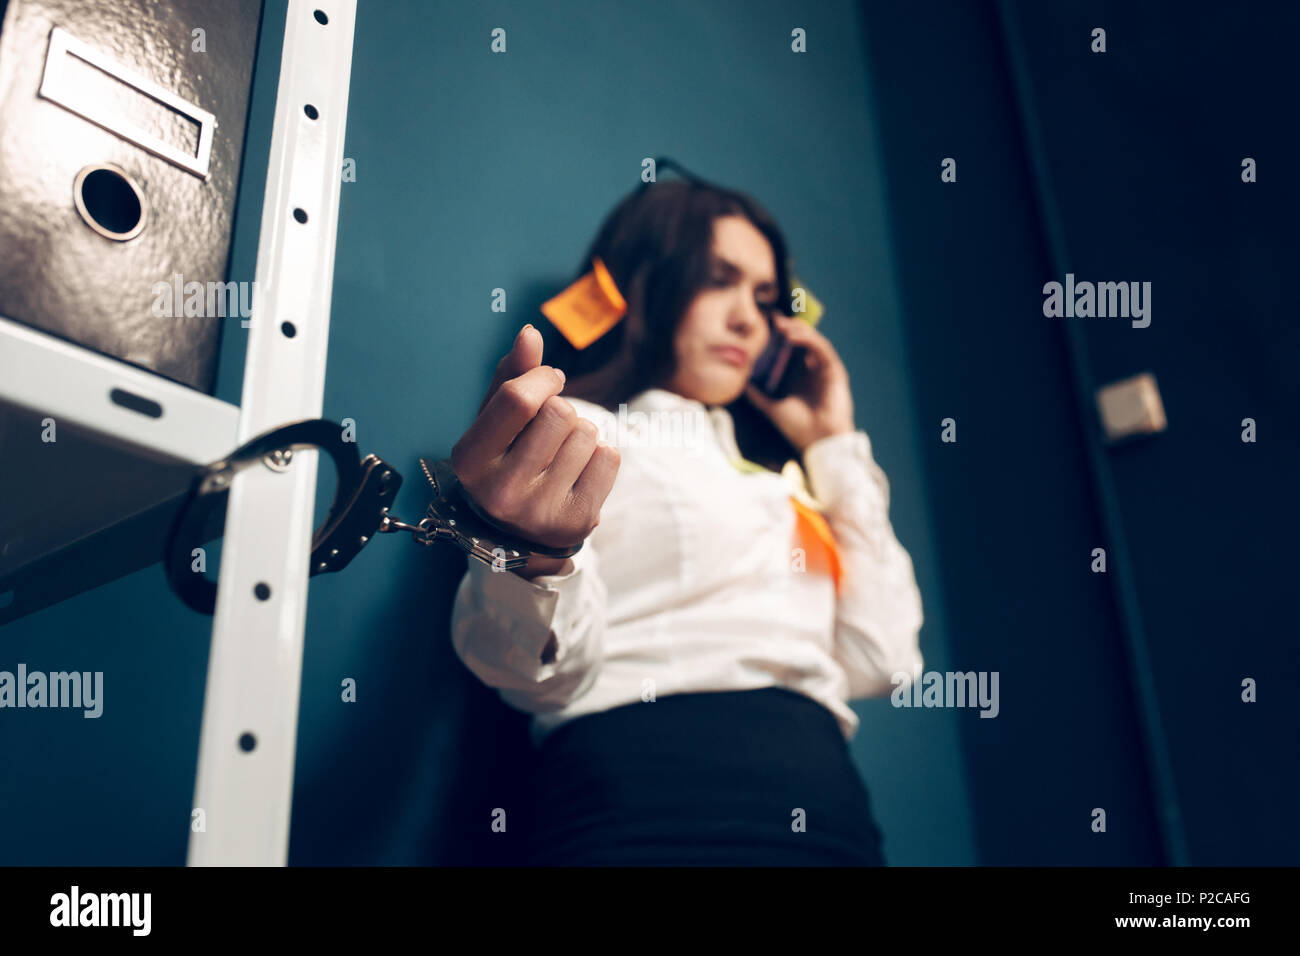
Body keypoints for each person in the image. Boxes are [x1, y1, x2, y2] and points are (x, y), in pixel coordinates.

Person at [448, 172, 924, 866]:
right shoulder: (578, 433)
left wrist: (834, 443)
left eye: (765, 299)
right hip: (636, 817)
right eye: (718, 281)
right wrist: (537, 556)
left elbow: (883, 660)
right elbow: (529, 674)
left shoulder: (794, 483)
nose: (748, 319)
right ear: (648, 287)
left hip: (832, 829)